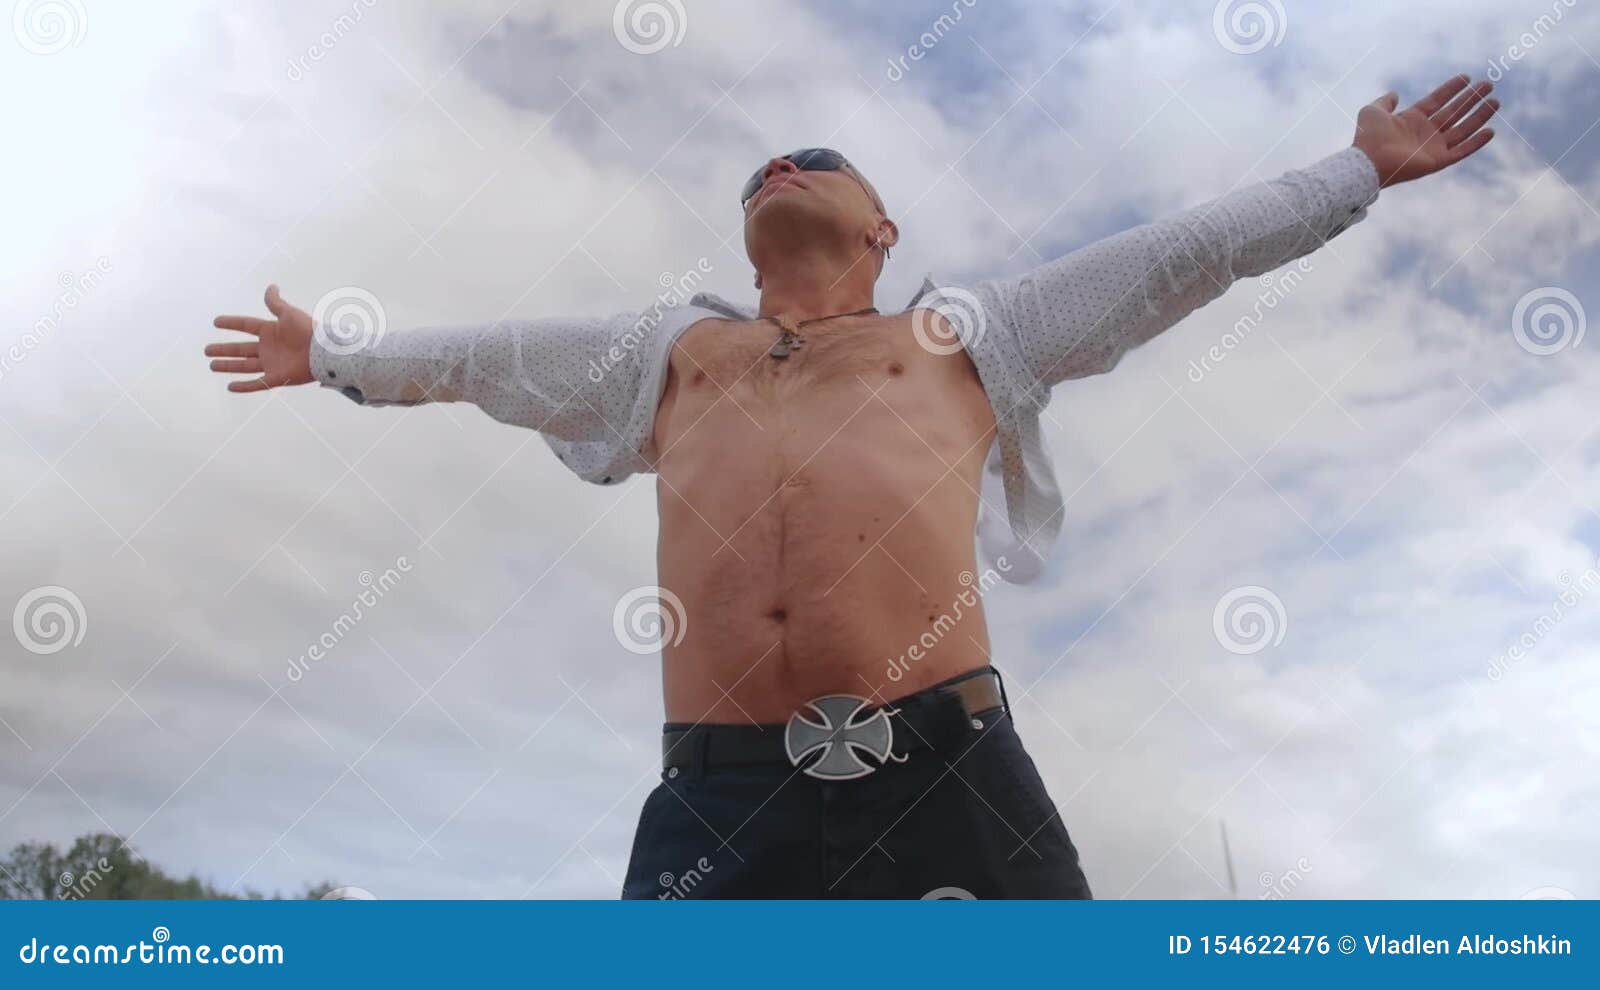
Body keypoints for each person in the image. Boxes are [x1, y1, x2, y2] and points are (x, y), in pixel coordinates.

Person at [205, 75, 1498, 898]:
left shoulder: (963, 337)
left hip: (946, 766)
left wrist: (1358, 170)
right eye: (763, 169)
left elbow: (1186, 254)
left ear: (885, 232)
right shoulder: (667, 355)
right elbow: (483, 361)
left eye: (818, 160)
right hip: (719, 793)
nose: (783, 164)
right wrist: (333, 356)